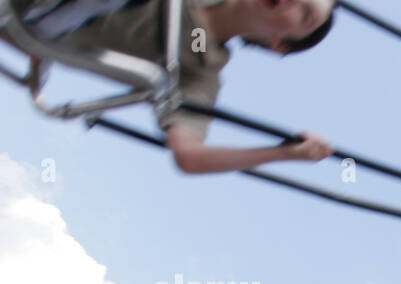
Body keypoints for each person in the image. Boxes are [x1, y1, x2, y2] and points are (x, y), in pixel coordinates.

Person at [6, 0, 335, 174]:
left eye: (305, 13)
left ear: (278, 43)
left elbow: (191, 157)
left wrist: (283, 153)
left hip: (42, 19)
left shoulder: (200, 72)